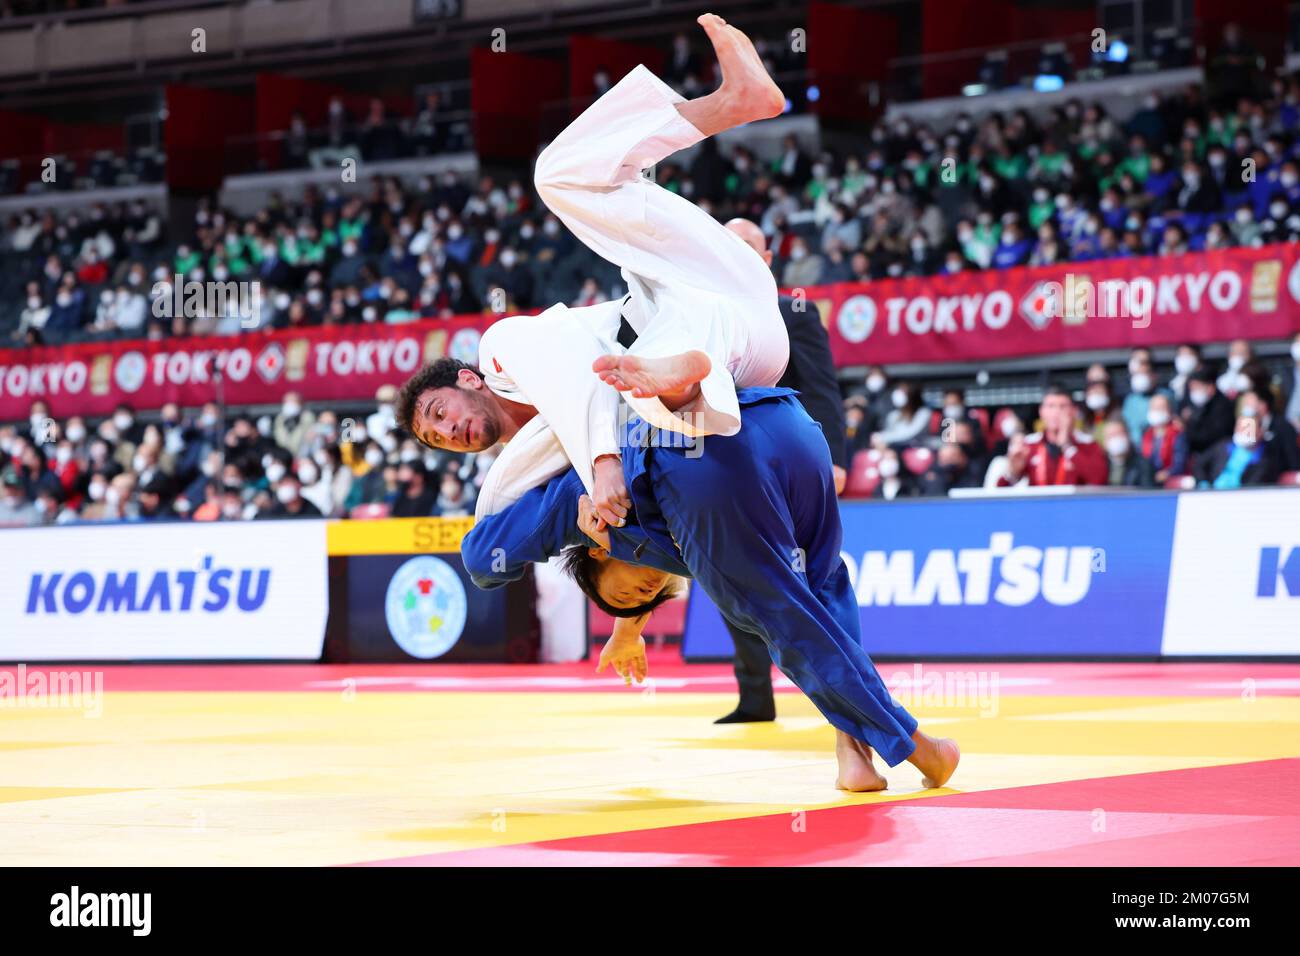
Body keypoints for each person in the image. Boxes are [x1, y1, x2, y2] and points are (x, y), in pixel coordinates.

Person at [397, 15, 790, 532]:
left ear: (467, 379)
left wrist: (602, 467)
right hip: (737, 350)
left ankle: (732, 103)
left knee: (557, 175)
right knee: (646, 382)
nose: (449, 433)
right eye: (438, 440)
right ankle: (678, 376)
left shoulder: (500, 352)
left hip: (699, 281)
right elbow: (494, 516)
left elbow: (568, 367)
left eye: (439, 414)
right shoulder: (534, 458)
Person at [462, 385, 960, 793]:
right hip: (788, 429)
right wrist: (628, 632)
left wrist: (511, 559)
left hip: (696, 458)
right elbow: (647, 559)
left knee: (777, 618)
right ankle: (852, 753)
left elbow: (479, 556)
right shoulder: (666, 548)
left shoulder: (579, 500)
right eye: (645, 603)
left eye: (629, 595)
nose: (648, 594)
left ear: (594, 555)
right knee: (821, 586)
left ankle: (918, 746)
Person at [711, 216, 847, 723]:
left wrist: (834, 457)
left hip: (791, 466)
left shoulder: (795, 313)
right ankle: (754, 695)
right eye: (729, 244)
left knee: (815, 576)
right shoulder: (704, 315)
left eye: (749, 246)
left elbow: (824, 389)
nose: (739, 252)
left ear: (766, 260)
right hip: (726, 467)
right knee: (728, 578)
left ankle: (845, 696)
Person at [997, 385, 1107, 487]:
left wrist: (1068, 448)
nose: (1056, 412)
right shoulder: (1029, 445)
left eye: (1062, 406)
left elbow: (1099, 479)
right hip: (1039, 506)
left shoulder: (1088, 444)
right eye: (1051, 406)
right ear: (1041, 411)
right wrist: (1012, 473)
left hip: (1075, 506)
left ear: (1073, 411)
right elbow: (999, 492)